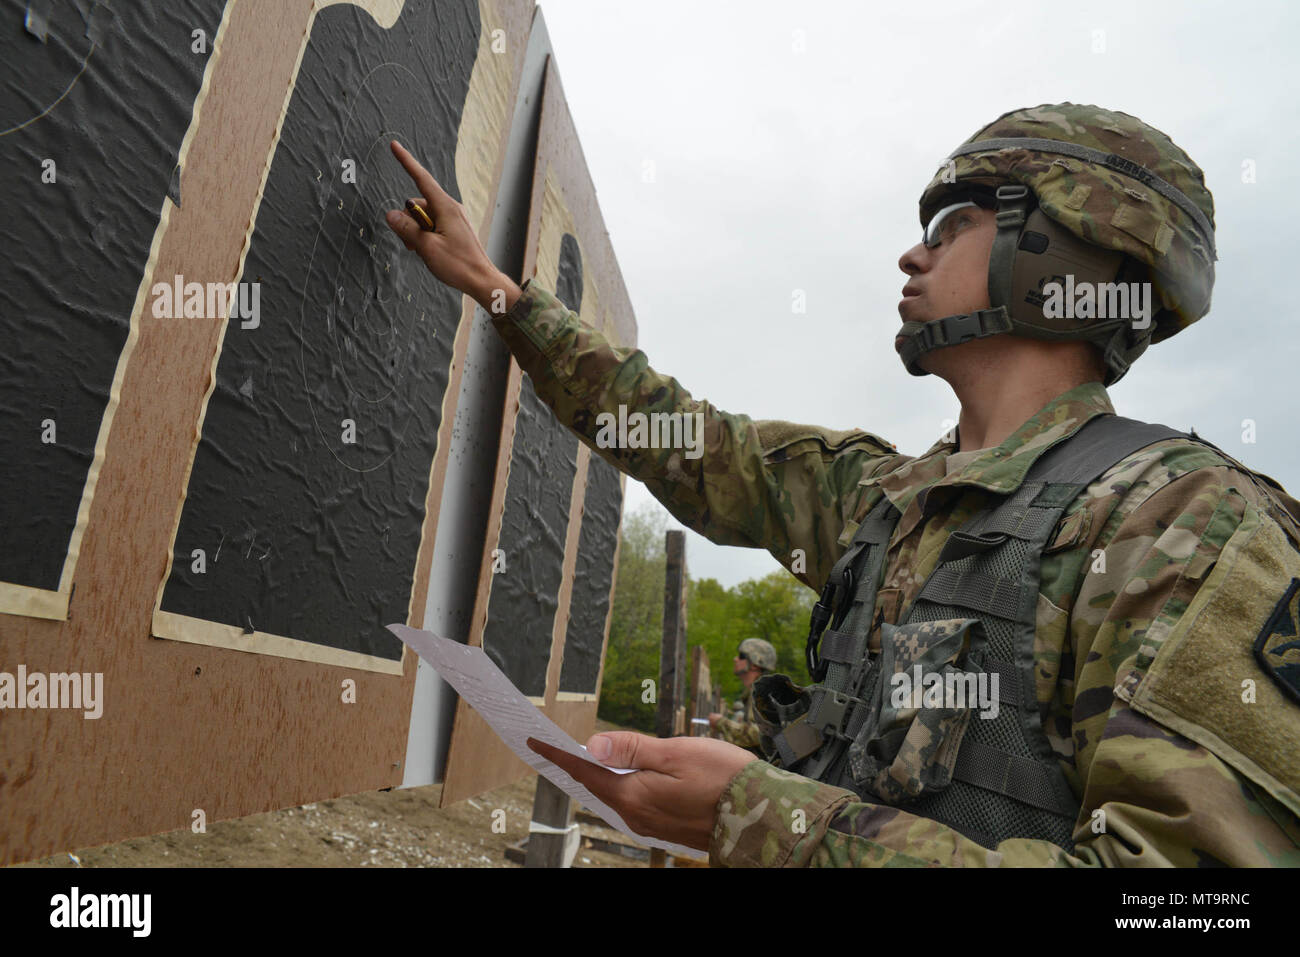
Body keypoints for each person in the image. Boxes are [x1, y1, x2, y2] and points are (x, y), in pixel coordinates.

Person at [382, 102, 1300, 867]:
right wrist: (497, 289)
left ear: (1063, 251)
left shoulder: (1182, 526)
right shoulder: (886, 503)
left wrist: (759, 818)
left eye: (953, 228)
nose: (912, 256)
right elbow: (681, 438)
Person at [708, 638, 777, 755]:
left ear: (755, 664)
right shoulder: (754, 691)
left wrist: (721, 723)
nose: (735, 659)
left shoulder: (762, 693)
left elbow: (759, 734)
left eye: (741, 656)